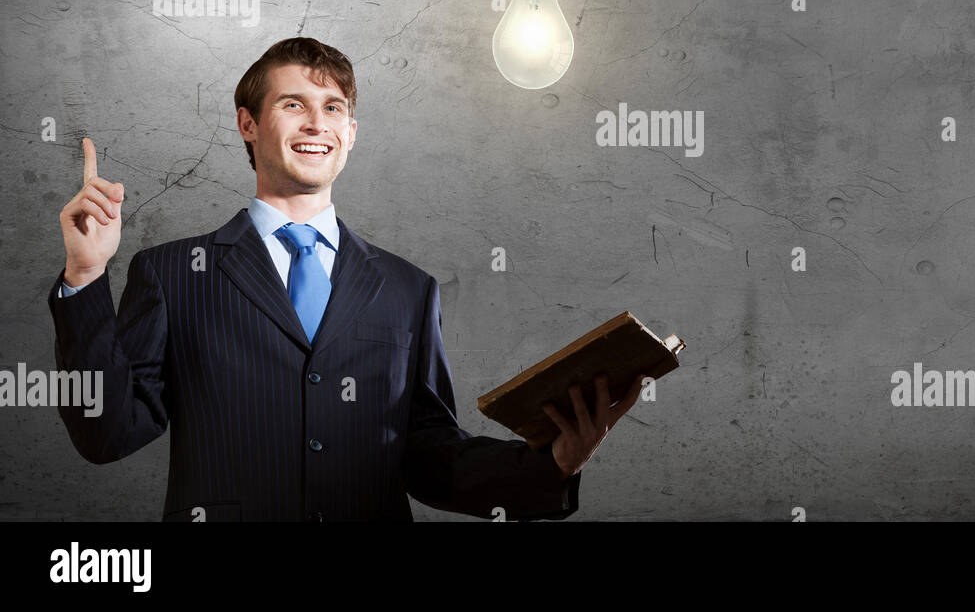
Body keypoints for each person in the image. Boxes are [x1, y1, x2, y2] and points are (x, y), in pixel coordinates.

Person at [51, 36, 644, 521]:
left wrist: (553, 464)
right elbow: (108, 435)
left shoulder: (409, 288)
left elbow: (430, 455)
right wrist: (85, 275)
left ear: (352, 133)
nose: (317, 123)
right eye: (292, 104)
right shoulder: (172, 273)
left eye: (333, 108)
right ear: (247, 124)